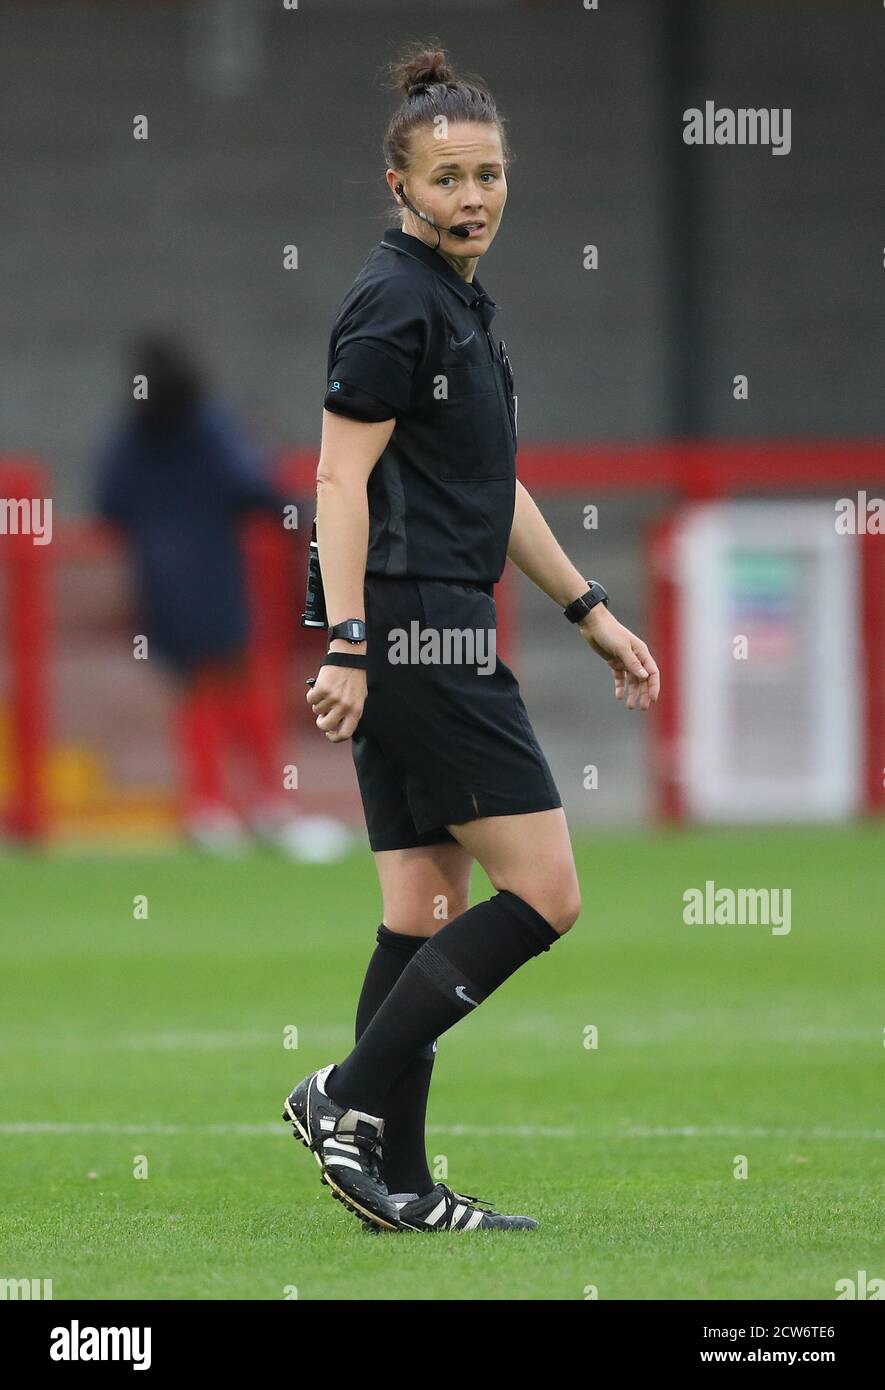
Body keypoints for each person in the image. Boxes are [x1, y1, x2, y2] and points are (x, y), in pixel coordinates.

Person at [282, 42, 660, 1232]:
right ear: (398, 185)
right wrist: (350, 639)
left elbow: (489, 486)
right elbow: (338, 482)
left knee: (425, 906)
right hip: (414, 629)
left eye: (489, 175)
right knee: (545, 892)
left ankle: (396, 1186)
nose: (474, 196)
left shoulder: (451, 302)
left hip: (424, 617)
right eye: (448, 178)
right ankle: (341, 1100)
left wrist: (588, 607)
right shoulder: (396, 299)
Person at [96, 332, 345, 858]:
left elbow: (109, 505)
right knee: (244, 687)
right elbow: (253, 487)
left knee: (193, 694)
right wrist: (300, 519)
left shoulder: (130, 436)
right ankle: (268, 804)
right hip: (217, 573)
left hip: (160, 579)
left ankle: (208, 810)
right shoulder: (211, 427)